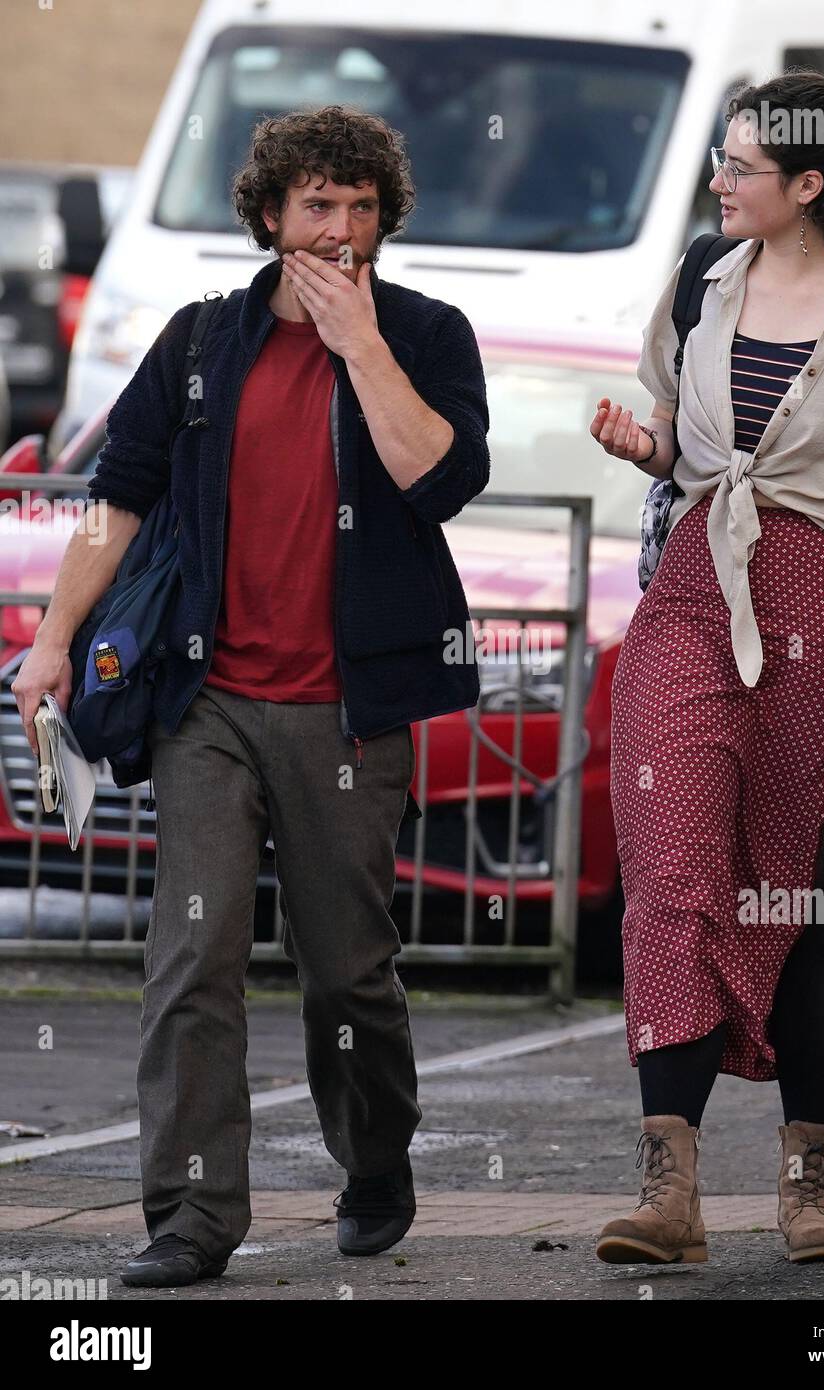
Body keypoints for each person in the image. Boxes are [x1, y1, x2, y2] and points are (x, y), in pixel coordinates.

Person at [12, 105, 489, 1285]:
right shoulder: (197, 344)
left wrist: (361, 345)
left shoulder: (426, 334)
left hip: (347, 708)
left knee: (347, 970)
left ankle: (375, 1158)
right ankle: (191, 1213)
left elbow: (444, 480)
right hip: (208, 697)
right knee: (192, 951)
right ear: (270, 215)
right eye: (317, 206)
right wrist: (53, 637)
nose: (340, 231)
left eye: (362, 209)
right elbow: (116, 500)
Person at [589, 70, 824, 1267]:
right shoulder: (699, 286)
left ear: (809, 187)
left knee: (810, 896)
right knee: (674, 869)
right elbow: (684, 443)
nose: (717, 178)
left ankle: (808, 1184)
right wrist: (641, 443)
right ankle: (669, 1184)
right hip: (698, 593)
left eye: (739, 165)